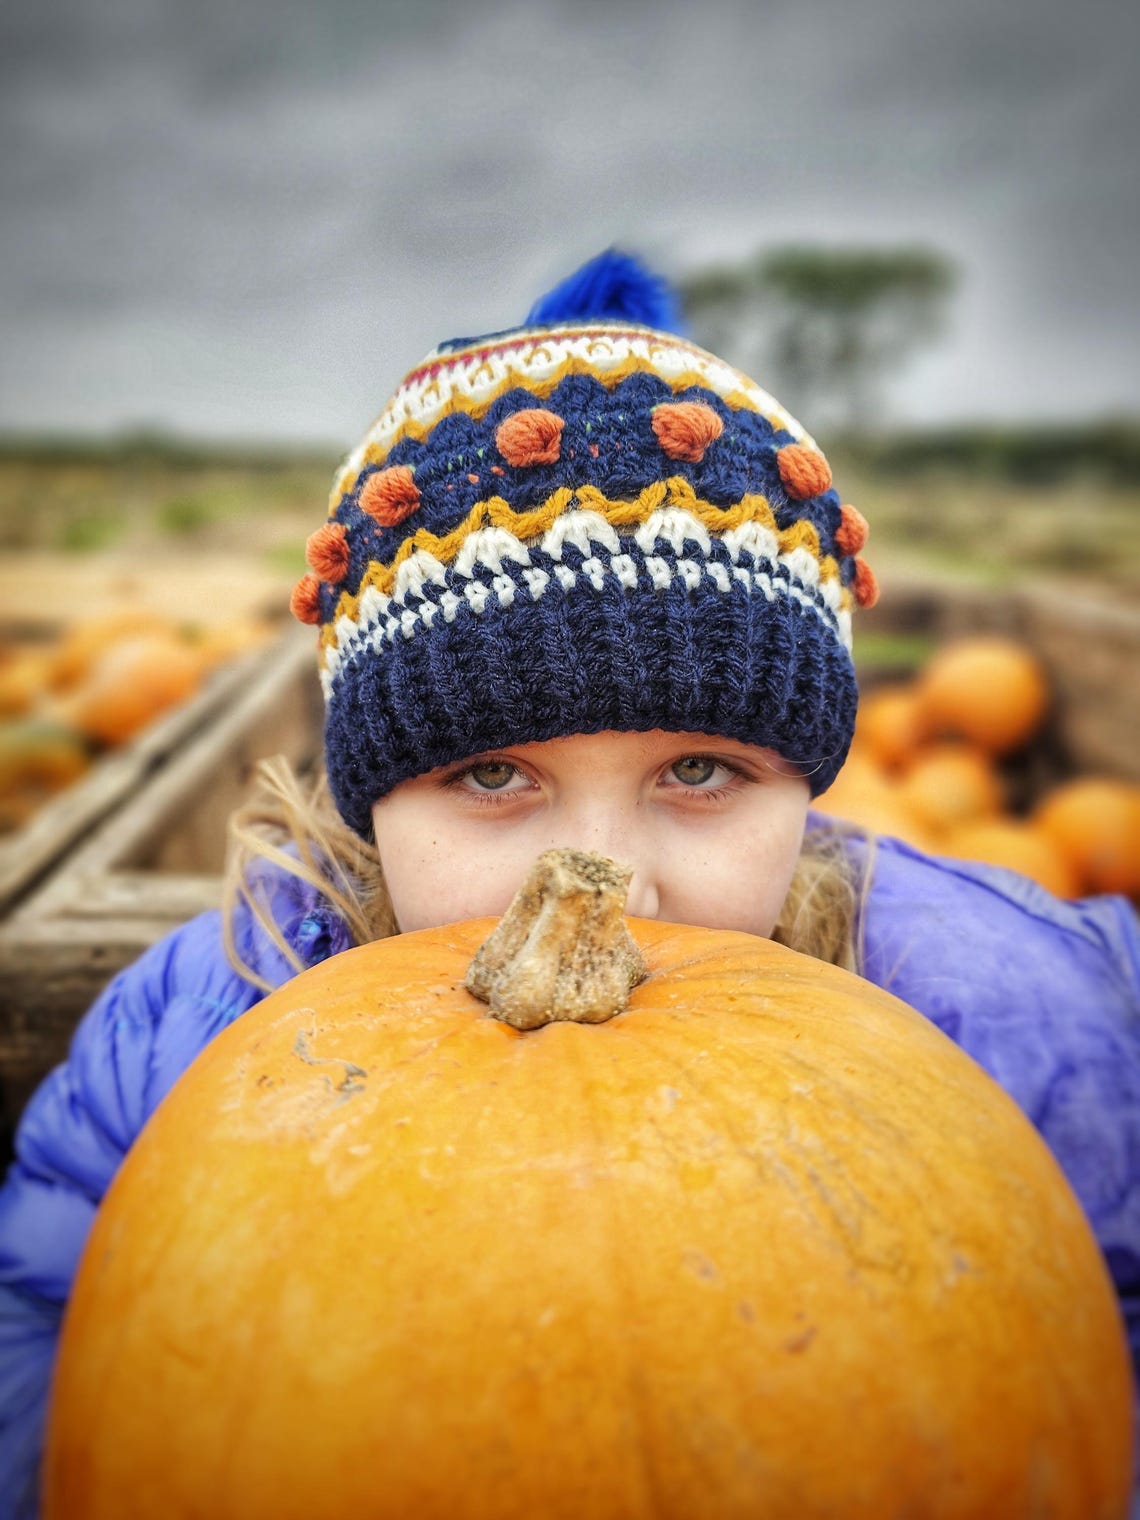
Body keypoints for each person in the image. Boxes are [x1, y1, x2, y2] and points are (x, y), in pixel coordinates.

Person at [1, 250, 1137, 1517]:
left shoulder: (994, 1019)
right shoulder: (222, 1017)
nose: (604, 875)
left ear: (807, 787)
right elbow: (54, 1294)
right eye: (492, 774)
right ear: (370, 796)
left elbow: (1098, 1334)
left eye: (699, 767)